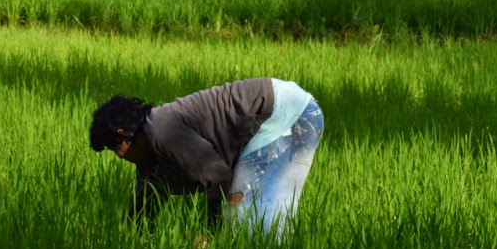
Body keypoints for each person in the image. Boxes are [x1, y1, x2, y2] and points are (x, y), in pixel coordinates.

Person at [88, 78, 323, 235]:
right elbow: (145, 203)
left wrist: (207, 232)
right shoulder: (152, 155)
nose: (120, 158)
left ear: (124, 136)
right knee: (248, 221)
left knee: (247, 219)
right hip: (286, 110)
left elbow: (218, 176)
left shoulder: (161, 131)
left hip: (285, 114)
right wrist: (128, 241)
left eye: (114, 149)